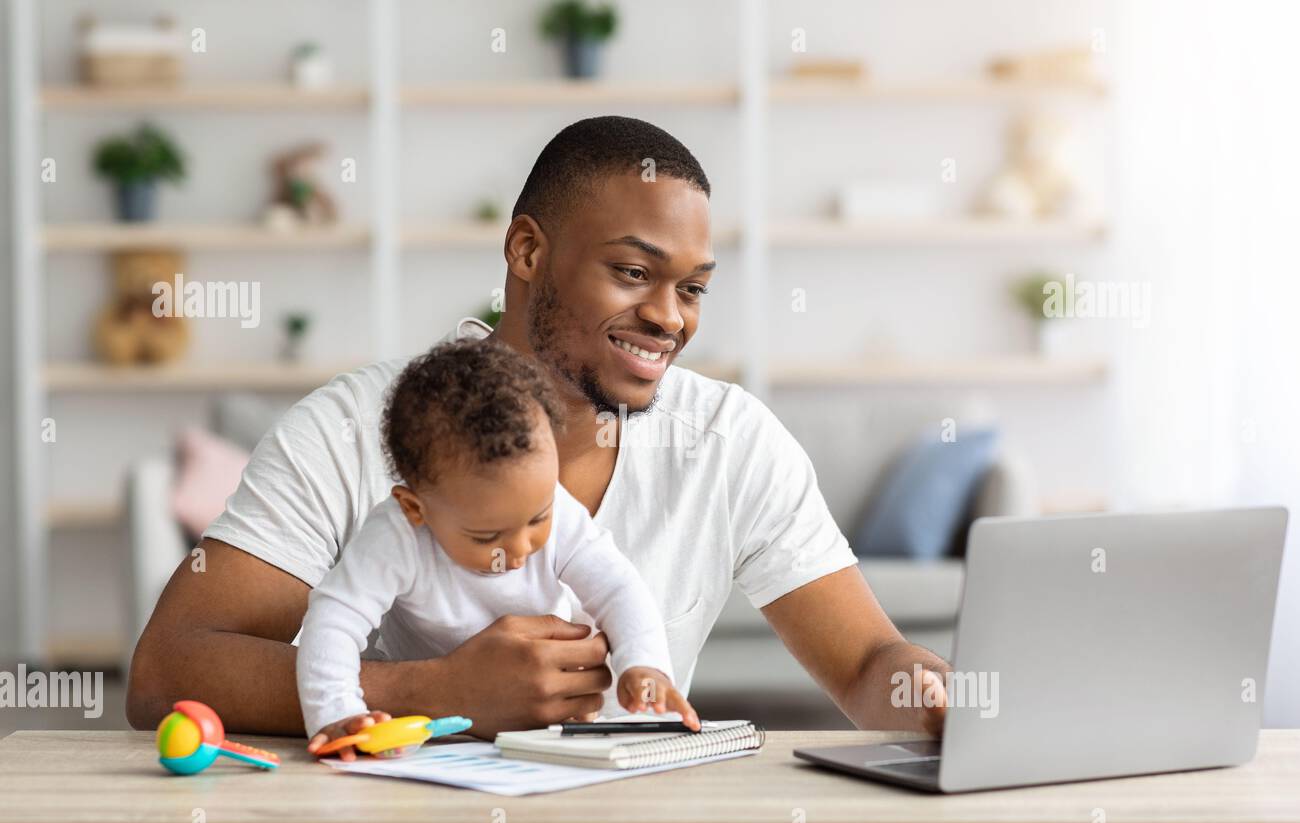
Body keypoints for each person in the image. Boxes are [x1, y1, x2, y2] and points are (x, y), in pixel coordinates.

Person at [126, 115, 950, 739]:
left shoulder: (730, 442)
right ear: (526, 251)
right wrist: (434, 689)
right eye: (633, 273)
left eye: (693, 288)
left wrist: (943, 701)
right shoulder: (352, 430)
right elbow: (166, 671)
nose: (669, 318)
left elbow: (868, 663)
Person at [297, 339, 697, 759]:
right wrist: (337, 712)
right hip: (430, 737)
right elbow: (334, 619)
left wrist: (644, 664)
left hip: (545, 729)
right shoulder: (396, 536)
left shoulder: (561, 512)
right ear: (416, 509)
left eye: (538, 518)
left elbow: (619, 589)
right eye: (488, 537)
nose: (521, 550)